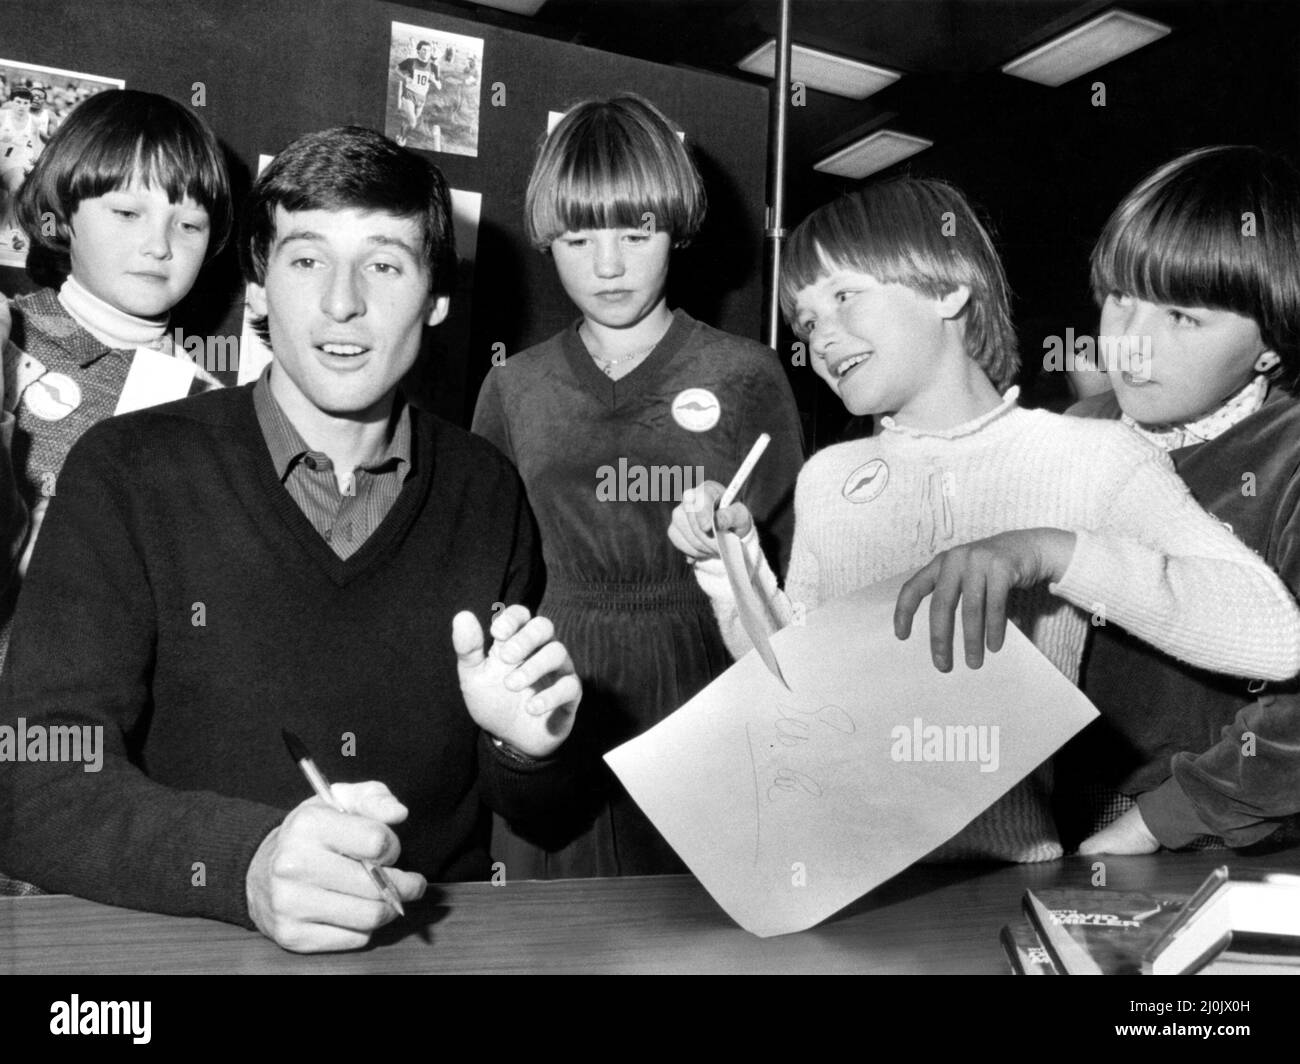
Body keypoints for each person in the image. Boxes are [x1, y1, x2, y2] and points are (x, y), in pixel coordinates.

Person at [0, 125, 586, 952]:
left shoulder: (487, 489)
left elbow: (543, 813)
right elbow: (34, 779)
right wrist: (245, 865)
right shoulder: (129, 470)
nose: (342, 301)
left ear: (438, 298)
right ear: (261, 290)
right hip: (190, 951)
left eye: (384, 264)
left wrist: (524, 750)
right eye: (307, 260)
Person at [669, 177, 1300, 863]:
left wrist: (1056, 553)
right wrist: (729, 569)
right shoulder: (827, 480)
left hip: (1003, 874)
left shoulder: (1095, 455)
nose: (822, 337)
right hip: (840, 867)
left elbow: (1274, 639)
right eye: (807, 320)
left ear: (947, 290)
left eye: (844, 295)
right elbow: (799, 691)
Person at [472, 94, 804, 876]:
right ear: (548, 237)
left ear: (677, 227)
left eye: (636, 231)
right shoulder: (514, 389)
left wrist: (732, 543)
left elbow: (793, 586)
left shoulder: (746, 374)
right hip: (558, 682)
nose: (609, 265)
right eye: (580, 237)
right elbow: (491, 575)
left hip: (710, 680)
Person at [1057, 146, 1300, 856]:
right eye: (1120, 298)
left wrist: (1157, 822)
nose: (1130, 343)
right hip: (1054, 805)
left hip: (1213, 829)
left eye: (1182, 317)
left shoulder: (1288, 462)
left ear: (1269, 343)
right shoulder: (1077, 431)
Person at [0, 89, 231, 669]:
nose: (158, 246)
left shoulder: (208, 405)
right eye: (128, 213)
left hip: (77, 717)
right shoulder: (8, 339)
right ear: (63, 214)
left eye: (190, 224)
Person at [394, 40, 441, 148]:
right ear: (418, 51)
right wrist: (404, 77)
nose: (426, 52)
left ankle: (400, 133)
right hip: (409, 94)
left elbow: (439, 86)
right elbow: (396, 69)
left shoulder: (434, 67)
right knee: (413, 123)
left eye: (429, 50)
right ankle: (403, 139)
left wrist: (433, 80)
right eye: (424, 50)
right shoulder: (411, 61)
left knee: (408, 120)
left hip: (421, 98)